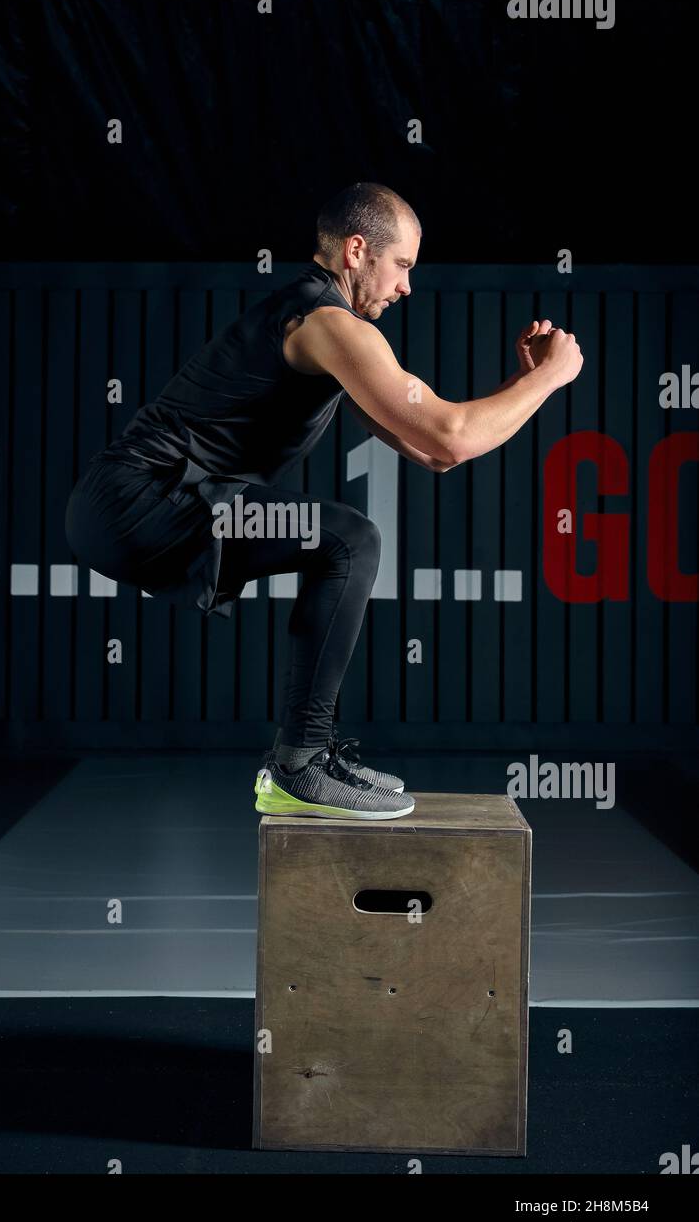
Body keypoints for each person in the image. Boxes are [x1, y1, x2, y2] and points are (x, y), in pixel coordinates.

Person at [64, 181, 583, 819]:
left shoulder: (332, 331)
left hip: (143, 501)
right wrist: (554, 378)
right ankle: (300, 763)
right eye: (402, 266)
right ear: (358, 251)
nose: (406, 287)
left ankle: (311, 754)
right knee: (350, 539)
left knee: (342, 542)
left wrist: (524, 382)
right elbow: (453, 436)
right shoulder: (327, 325)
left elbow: (434, 453)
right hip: (137, 499)